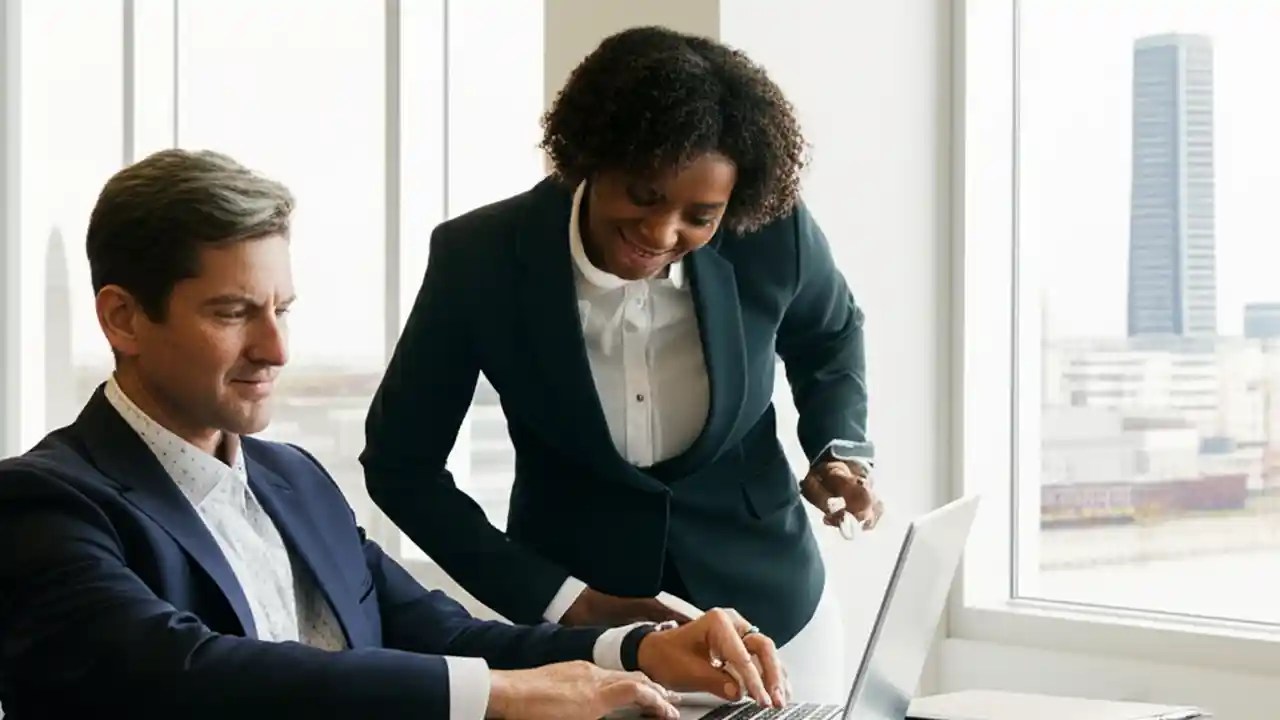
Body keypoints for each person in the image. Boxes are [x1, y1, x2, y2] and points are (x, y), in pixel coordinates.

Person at [0, 149, 790, 719]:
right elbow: (192, 674)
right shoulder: (45, 504)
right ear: (122, 318)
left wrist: (639, 648)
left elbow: (442, 632)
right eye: (232, 313)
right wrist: (506, 700)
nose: (275, 350)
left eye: (283, 310)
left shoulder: (292, 480)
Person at [361, 25, 884, 702]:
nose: (663, 234)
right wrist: (566, 601)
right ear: (592, 157)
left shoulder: (770, 232)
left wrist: (839, 450)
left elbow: (831, 332)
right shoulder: (480, 258)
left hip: (776, 615)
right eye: (644, 195)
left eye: (700, 215)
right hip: (585, 642)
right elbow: (401, 465)